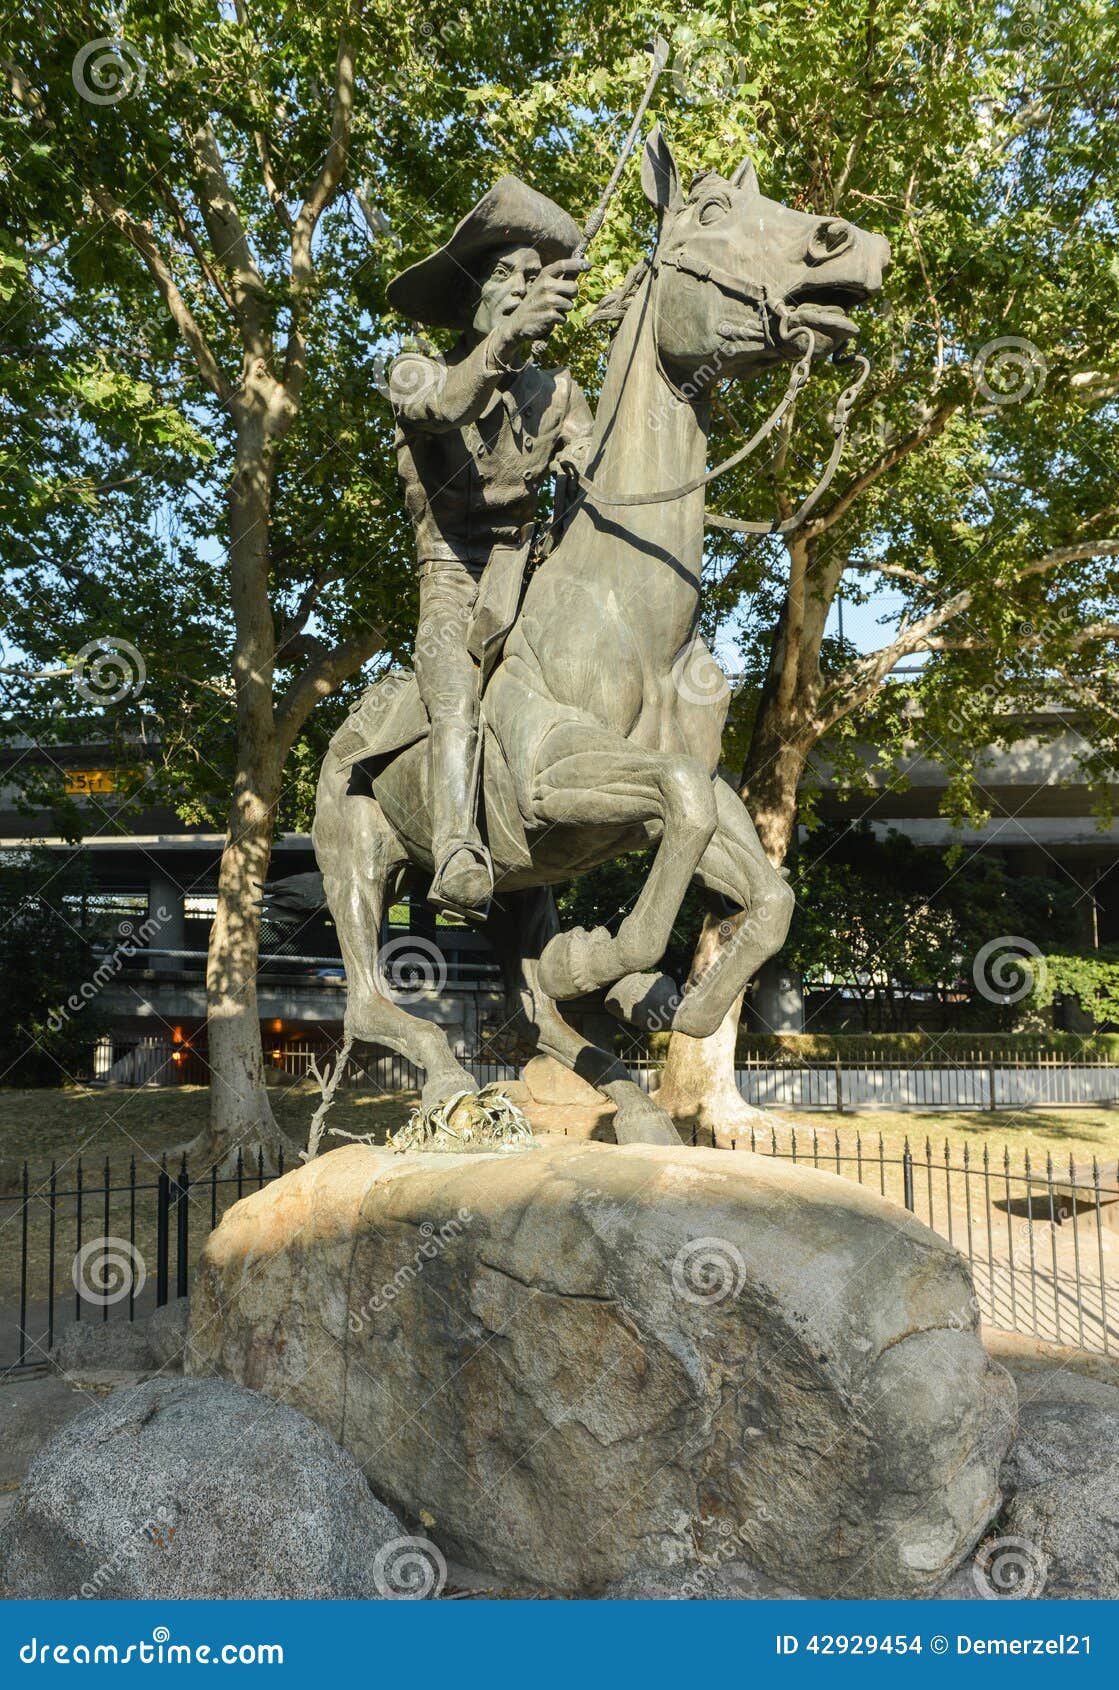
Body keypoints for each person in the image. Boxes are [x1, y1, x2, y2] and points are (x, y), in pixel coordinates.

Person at [385, 176, 593, 921]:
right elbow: (444, 407)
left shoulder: (561, 390)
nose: (521, 288)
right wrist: (509, 339)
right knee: (455, 703)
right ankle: (456, 854)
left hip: (529, 580)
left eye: (533, 279)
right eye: (504, 276)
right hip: (451, 582)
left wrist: (581, 463)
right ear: (469, 294)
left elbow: (593, 458)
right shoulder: (415, 369)